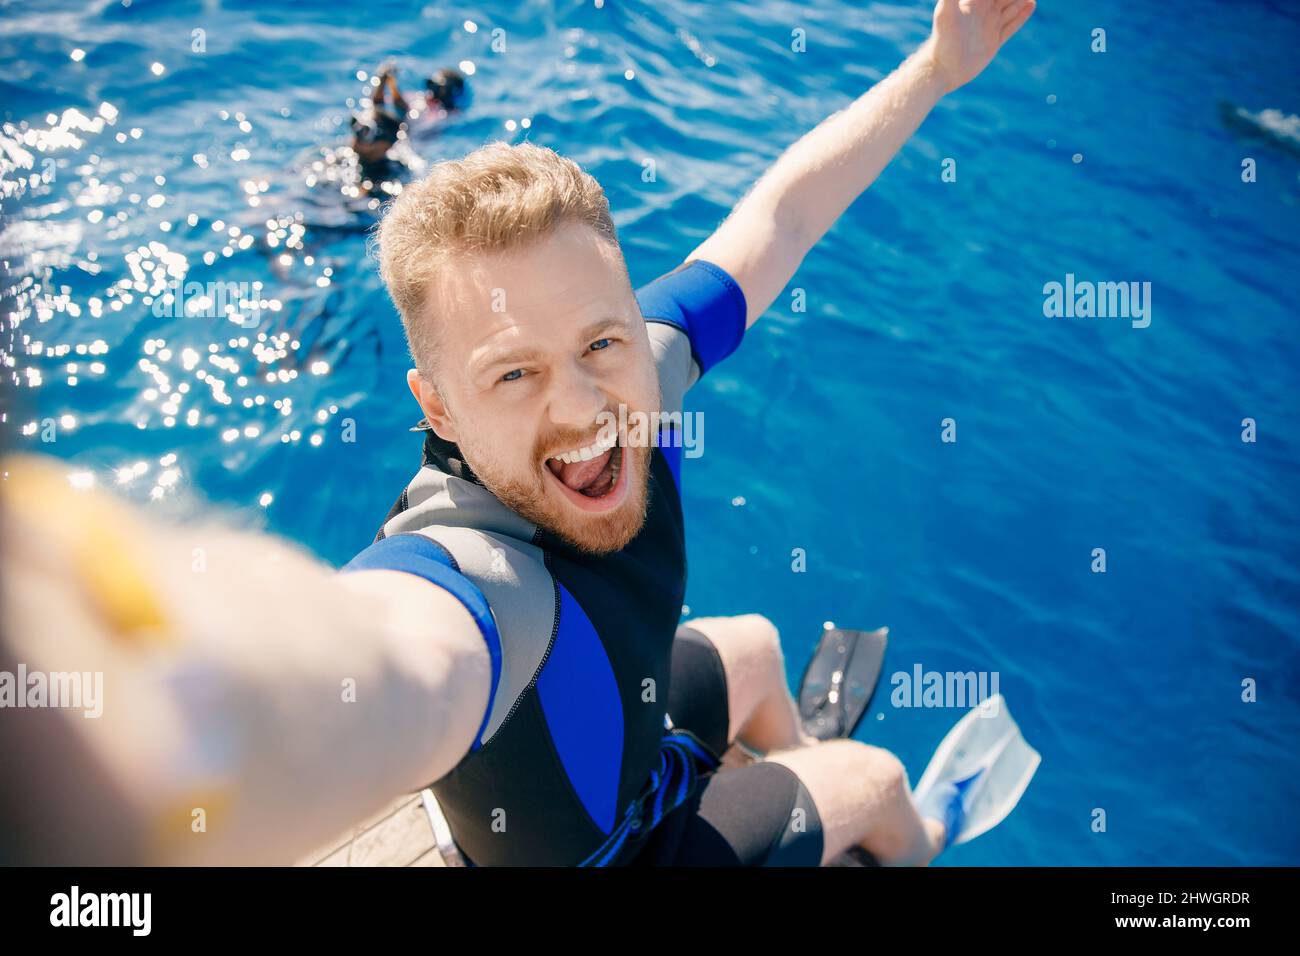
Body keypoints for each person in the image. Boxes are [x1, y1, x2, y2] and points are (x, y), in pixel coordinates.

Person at [345, 0, 1037, 866]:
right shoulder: (473, 576)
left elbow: (782, 218)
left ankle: (781, 773)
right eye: (514, 373)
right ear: (437, 406)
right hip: (613, 858)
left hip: (625, 769)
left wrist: (935, 70)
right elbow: (377, 645)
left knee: (754, 642)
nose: (584, 406)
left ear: (634, 324)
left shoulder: (652, 363)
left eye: (603, 341)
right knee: (879, 780)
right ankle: (917, 836)